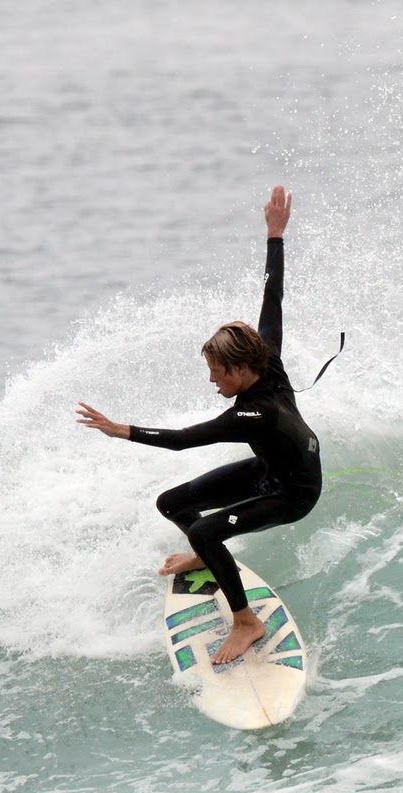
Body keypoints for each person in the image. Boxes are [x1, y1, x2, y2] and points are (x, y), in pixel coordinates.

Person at [75, 186, 321, 665]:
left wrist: (119, 428)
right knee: (173, 504)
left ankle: (246, 622)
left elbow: (186, 441)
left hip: (294, 493)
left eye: (216, 372)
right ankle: (207, 555)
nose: (211, 379)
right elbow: (274, 293)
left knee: (206, 531)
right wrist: (274, 234)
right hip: (271, 466)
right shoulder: (266, 356)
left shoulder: (254, 412)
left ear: (239, 370)